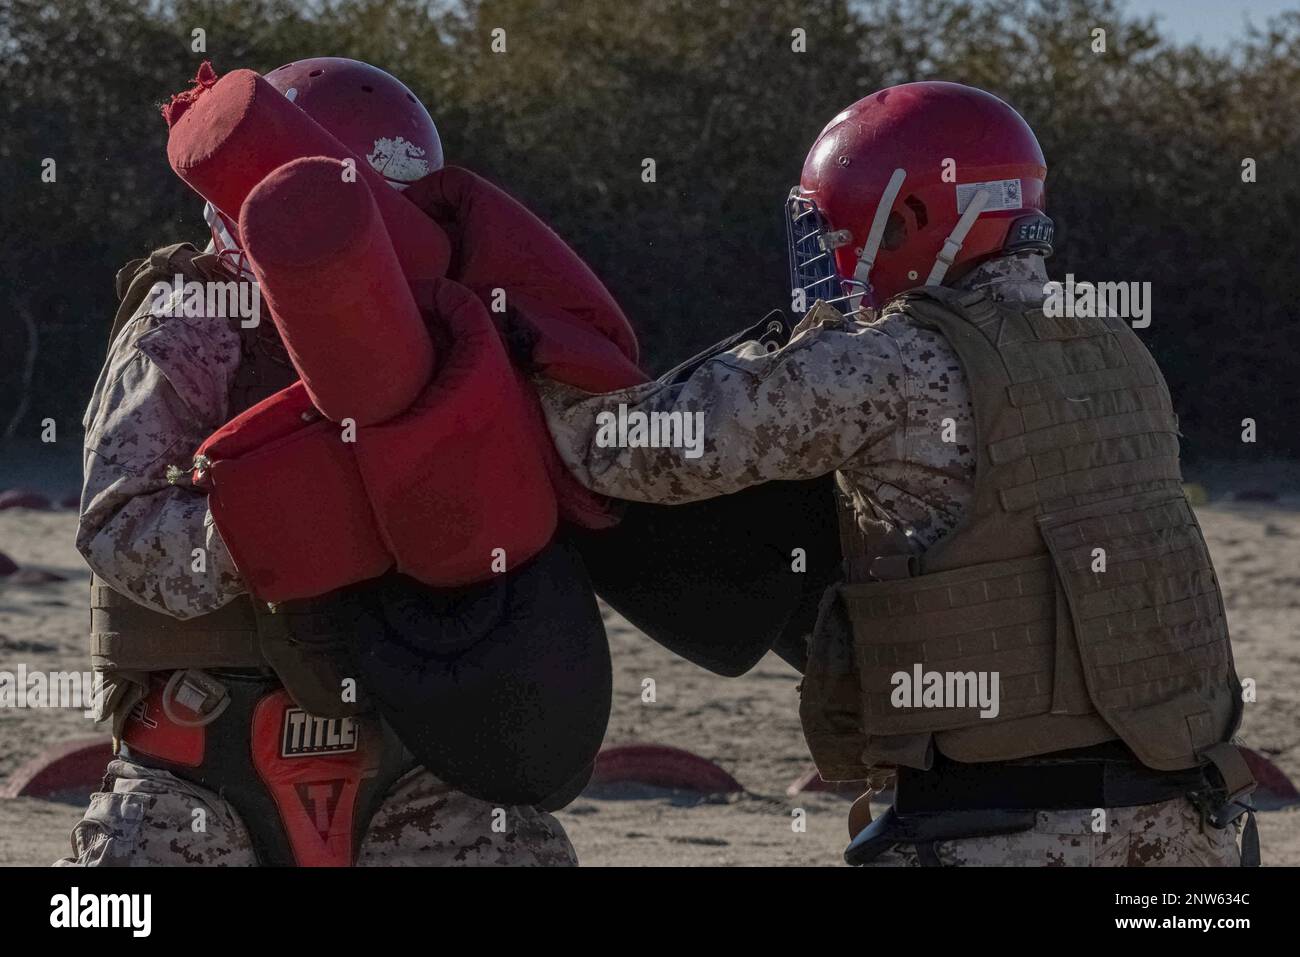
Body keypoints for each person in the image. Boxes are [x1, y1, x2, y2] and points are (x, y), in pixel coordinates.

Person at [539, 80, 1258, 867]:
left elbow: (628, 452)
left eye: (841, 232)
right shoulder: (1122, 351)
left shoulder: (894, 362)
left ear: (910, 219)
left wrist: (517, 368)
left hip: (1004, 833)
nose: (834, 258)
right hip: (1198, 831)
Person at [58, 58, 581, 867]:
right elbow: (115, 527)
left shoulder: (457, 335)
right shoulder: (194, 319)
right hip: (203, 755)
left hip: (418, 752)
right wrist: (286, 518)